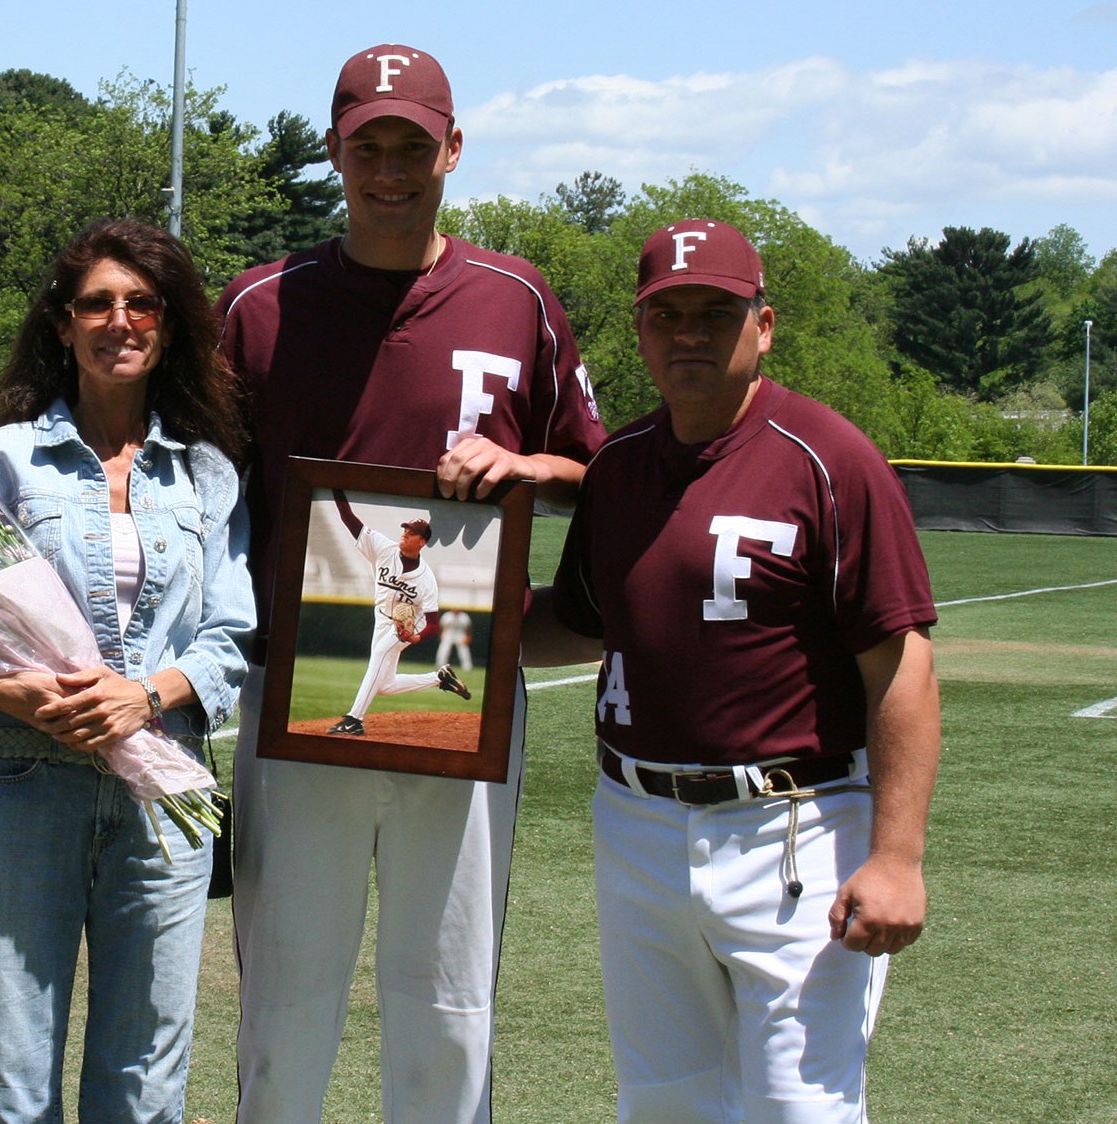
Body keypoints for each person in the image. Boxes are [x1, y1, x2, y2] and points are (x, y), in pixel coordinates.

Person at [216, 44, 607, 1122]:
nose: (389, 169)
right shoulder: (256, 306)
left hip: (459, 679)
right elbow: (201, 494)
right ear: (335, 152)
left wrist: (529, 467)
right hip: (294, 683)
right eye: (366, 146)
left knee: (446, 996)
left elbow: (600, 473)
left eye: (411, 145)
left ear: (452, 148)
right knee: (284, 994)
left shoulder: (514, 296)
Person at [531, 218, 941, 1120]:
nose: (688, 335)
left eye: (715, 313)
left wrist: (898, 858)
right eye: (665, 314)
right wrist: (422, 619)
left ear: (763, 325)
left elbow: (901, 665)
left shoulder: (830, 458)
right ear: (639, 332)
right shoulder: (621, 467)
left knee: (803, 1110)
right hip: (635, 822)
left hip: (794, 826)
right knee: (665, 1106)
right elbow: (579, 624)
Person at [0, 220, 255, 1123]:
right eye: (98, 303)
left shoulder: (206, 473)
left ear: (169, 324)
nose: (121, 320)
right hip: (22, 781)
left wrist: (144, 694)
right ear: (64, 324)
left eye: (142, 302)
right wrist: (9, 691)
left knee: (145, 1073)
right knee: (11, 1069)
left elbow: (231, 634)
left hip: (164, 795)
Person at [325, 492, 469, 738]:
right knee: (384, 685)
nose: (404, 533)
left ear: (422, 541)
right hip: (382, 618)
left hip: (408, 623)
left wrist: (416, 637)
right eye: (405, 530)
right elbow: (350, 520)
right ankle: (439, 678)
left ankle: (353, 720)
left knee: (380, 653)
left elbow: (434, 623)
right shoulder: (384, 548)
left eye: (411, 532)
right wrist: (337, 490)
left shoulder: (425, 579)